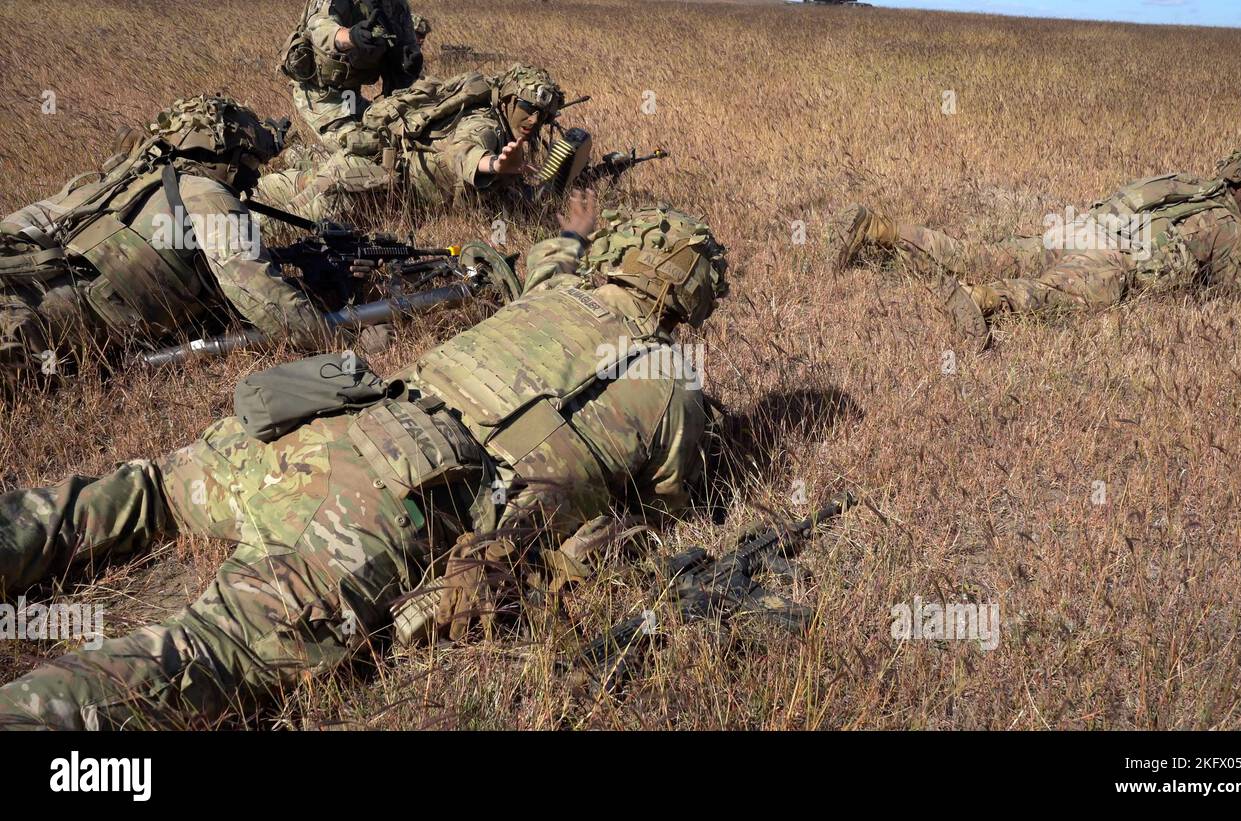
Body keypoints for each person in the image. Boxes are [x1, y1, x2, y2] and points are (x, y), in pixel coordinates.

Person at [0, 191, 730, 730]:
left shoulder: (556, 288)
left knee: (146, 490)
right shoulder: (673, 385)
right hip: (385, 507)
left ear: (616, 255)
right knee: (212, 651)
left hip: (322, 428)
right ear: (690, 304)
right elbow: (670, 501)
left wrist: (574, 232)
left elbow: (553, 255)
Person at [0, 96, 331, 389]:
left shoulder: (126, 179)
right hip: (28, 333)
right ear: (226, 155)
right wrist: (339, 339)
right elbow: (261, 297)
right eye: (252, 162)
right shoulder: (204, 193)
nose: (256, 176)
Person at [827, 148, 1241, 346]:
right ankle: (981, 300)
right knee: (1053, 294)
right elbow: (1231, 301)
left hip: (1078, 230)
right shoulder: (1233, 232)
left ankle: (879, 230)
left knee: (977, 252)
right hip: (1111, 261)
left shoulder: (1189, 184)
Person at [256, 64, 565, 221]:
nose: (534, 120)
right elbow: (465, 152)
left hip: (369, 168)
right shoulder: (485, 125)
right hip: (365, 190)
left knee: (267, 190)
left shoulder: (490, 114)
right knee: (273, 224)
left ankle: (288, 151)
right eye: (529, 108)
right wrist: (496, 165)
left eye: (543, 115)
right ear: (509, 99)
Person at [279, 0, 429, 150]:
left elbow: (408, 48)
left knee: (404, 137)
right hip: (320, 95)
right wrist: (352, 36)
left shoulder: (395, 5)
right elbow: (321, 30)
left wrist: (406, 64)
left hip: (351, 94)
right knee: (361, 148)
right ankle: (296, 153)